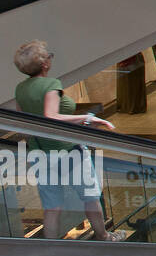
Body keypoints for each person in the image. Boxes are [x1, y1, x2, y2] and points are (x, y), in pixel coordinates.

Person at [13, 40, 125, 241]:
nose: (50, 59)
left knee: (52, 207)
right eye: (49, 56)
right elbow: (51, 116)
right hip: (68, 150)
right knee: (90, 197)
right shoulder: (51, 84)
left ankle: (52, 250)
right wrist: (87, 118)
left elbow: (25, 124)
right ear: (45, 64)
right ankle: (104, 236)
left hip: (40, 153)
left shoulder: (20, 89)